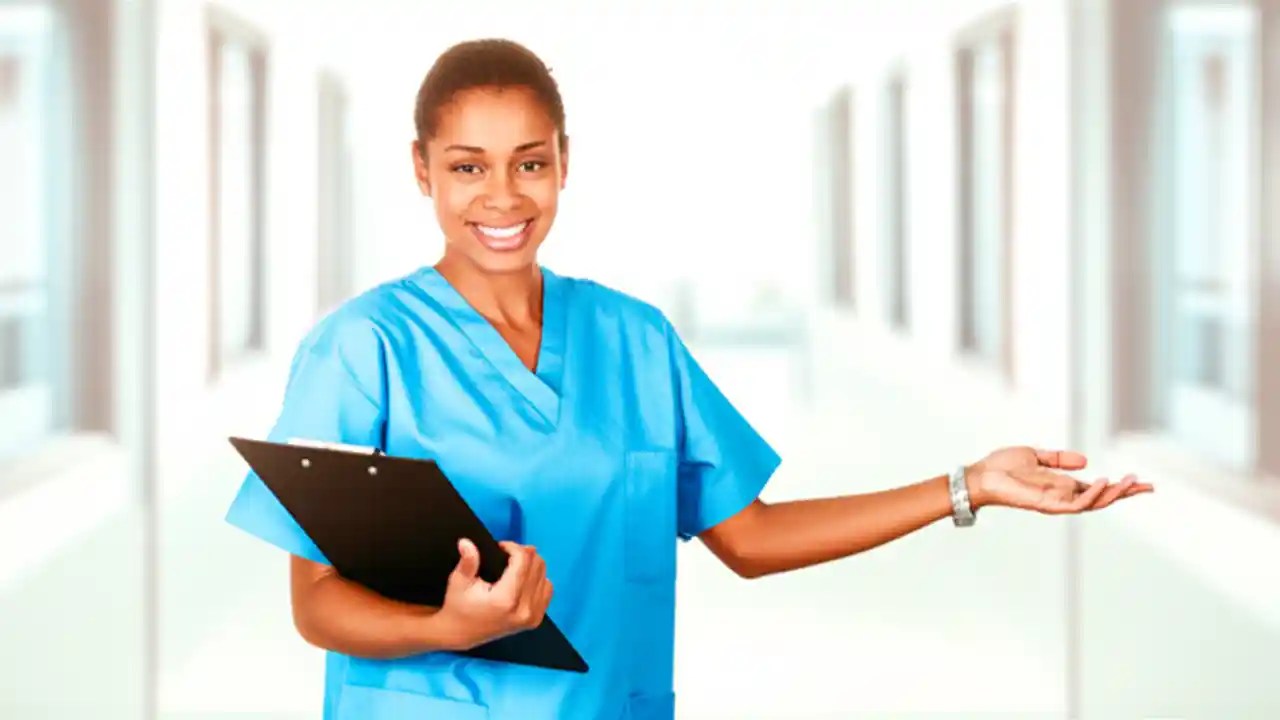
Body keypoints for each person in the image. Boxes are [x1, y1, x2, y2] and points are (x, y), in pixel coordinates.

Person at [224, 38, 1152, 720]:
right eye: (468, 166)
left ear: (564, 165)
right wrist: (446, 629)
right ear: (422, 170)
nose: (502, 197)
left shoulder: (636, 340)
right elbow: (317, 605)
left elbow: (745, 537)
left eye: (529, 163)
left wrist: (969, 485)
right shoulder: (360, 349)